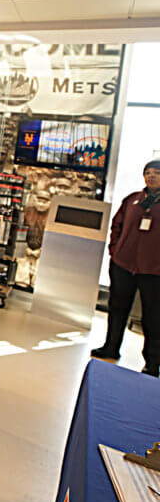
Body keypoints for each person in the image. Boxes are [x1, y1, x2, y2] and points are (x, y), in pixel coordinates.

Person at [91, 159, 160, 375]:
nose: (151, 176)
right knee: (117, 308)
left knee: (153, 316)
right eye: (148, 172)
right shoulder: (133, 200)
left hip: (154, 271)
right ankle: (111, 347)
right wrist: (115, 250)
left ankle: (152, 361)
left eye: (156, 173)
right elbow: (117, 225)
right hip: (123, 265)